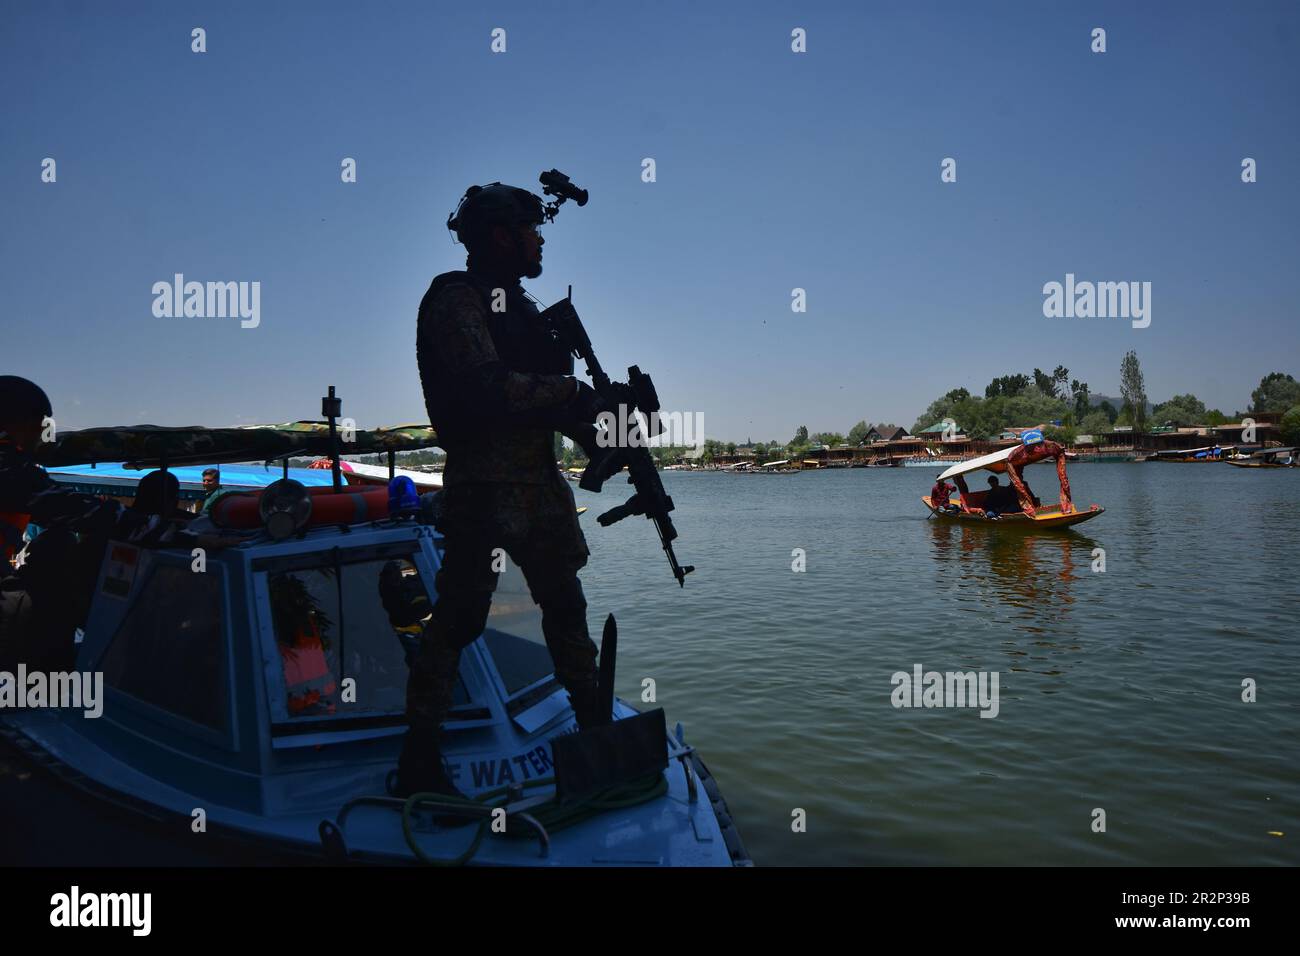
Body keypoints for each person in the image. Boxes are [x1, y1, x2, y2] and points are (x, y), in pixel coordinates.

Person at [393, 180, 612, 798]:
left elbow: (547, 399)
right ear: (499, 236)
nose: (539, 240)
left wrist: (607, 425)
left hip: (538, 484)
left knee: (565, 605)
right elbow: (487, 388)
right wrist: (571, 396)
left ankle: (592, 720)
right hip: (485, 487)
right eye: (529, 231)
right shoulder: (455, 301)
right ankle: (420, 755)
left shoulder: (520, 309)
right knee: (459, 618)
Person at [0, 376, 121, 671]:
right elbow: (74, 509)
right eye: (40, 424)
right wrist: (183, 535)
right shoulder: (8, 467)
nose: (43, 435)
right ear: (18, 421)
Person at [1005, 430, 1072, 517]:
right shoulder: (1012, 488)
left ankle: (1063, 507)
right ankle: (1030, 510)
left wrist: (1035, 504)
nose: (1036, 448)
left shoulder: (1023, 485)